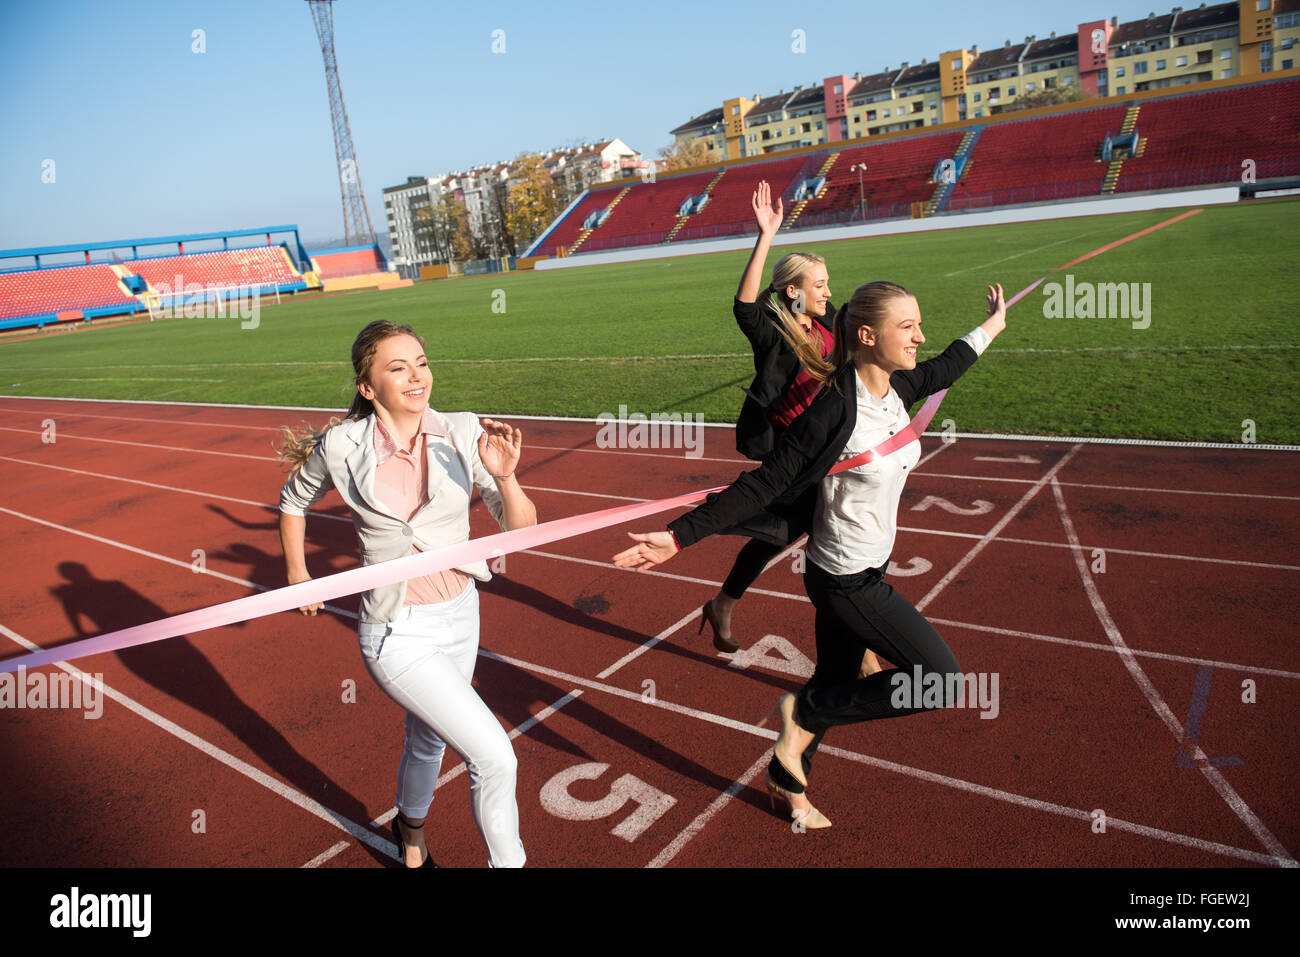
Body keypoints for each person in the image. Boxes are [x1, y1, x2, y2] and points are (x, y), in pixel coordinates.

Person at [615, 280, 1007, 827]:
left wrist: (992, 324)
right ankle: (799, 715)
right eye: (908, 327)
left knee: (835, 677)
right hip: (845, 579)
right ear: (868, 336)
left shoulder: (897, 387)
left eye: (919, 325)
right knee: (940, 681)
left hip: (871, 565)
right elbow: (762, 485)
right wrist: (679, 536)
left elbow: (948, 364)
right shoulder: (832, 411)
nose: (921, 336)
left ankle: (785, 782)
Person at [277, 319, 537, 868]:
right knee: (495, 757)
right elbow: (293, 500)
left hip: (461, 614)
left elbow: (522, 531)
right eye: (398, 368)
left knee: (429, 740)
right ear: (367, 388)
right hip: (396, 632)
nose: (417, 376)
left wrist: (508, 478)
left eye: (421, 362)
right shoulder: (343, 445)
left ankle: (409, 831)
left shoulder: (463, 431)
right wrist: (299, 573)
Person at [702, 180, 877, 679]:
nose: (828, 291)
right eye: (819, 285)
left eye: (827, 283)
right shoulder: (775, 331)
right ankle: (859, 646)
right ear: (794, 291)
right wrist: (765, 236)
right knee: (825, 539)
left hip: (826, 450)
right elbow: (744, 305)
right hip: (790, 457)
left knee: (789, 535)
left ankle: (724, 605)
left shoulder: (828, 330)